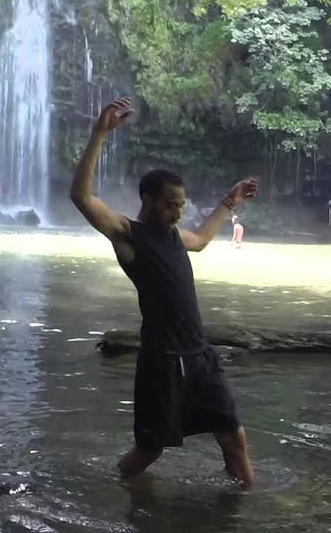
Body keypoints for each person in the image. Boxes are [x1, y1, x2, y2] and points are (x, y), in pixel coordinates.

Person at [70, 96, 259, 487]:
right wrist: (99, 135)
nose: (178, 212)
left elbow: (203, 239)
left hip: (200, 355)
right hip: (163, 361)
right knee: (151, 449)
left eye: (182, 205)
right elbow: (82, 198)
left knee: (234, 437)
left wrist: (229, 201)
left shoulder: (175, 235)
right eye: (171, 205)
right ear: (148, 201)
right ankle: (117, 491)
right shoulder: (129, 236)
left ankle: (244, 505)